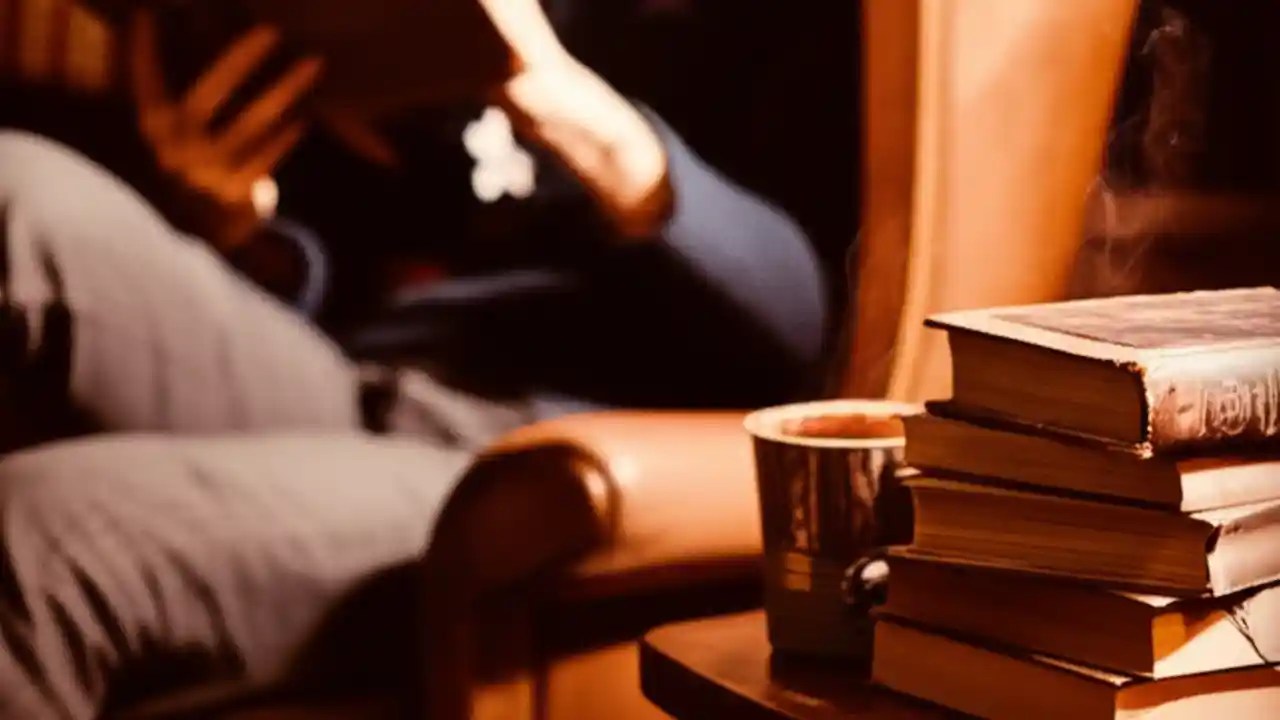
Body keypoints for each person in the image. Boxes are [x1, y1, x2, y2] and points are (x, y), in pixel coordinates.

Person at [0, 0, 829, 717]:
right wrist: (236, 227)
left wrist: (564, 103)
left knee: (38, 530)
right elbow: (342, 265)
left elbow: (799, 326)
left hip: (515, 456)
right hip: (339, 381)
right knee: (17, 186)